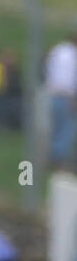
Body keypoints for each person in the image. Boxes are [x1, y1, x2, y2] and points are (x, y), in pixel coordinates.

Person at [45, 33, 77, 170]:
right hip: (68, 95)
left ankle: (53, 157)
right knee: (68, 128)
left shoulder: (57, 50)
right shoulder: (73, 55)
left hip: (54, 93)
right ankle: (59, 160)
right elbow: (72, 77)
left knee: (57, 127)